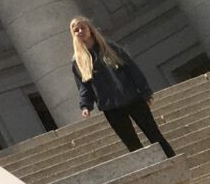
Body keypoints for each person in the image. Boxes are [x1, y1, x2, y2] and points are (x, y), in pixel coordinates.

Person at [71, 16, 175, 157]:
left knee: (155, 135)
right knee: (132, 145)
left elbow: (132, 69)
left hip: (133, 99)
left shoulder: (109, 48)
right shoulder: (78, 61)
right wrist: (85, 106)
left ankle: (172, 159)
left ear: (90, 29)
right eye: (76, 30)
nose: (80, 32)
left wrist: (146, 92)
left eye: (82, 27)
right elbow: (84, 86)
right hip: (111, 107)